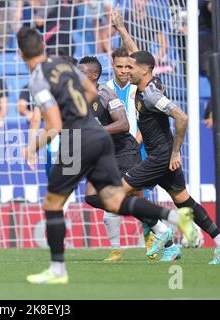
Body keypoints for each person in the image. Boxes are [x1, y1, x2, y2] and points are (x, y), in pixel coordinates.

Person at [18, 27, 196, 284]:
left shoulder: (37, 79)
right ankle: (174, 217)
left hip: (78, 141)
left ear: (22, 54)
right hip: (99, 139)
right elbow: (90, 93)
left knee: (53, 204)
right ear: (43, 49)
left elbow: (55, 124)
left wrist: (32, 147)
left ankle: (57, 269)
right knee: (112, 200)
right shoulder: (63, 67)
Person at [113, 12, 220, 264]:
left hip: (161, 156)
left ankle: (161, 232)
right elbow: (137, 52)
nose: (128, 70)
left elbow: (182, 117)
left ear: (144, 70)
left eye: (132, 67)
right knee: (183, 200)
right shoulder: (149, 81)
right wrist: (122, 29)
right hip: (164, 155)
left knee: (117, 194)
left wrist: (176, 152)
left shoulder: (151, 95)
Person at [77, 56, 162, 261]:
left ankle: (157, 236)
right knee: (92, 196)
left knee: (127, 198)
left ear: (93, 75)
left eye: (80, 72)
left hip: (124, 151)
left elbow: (123, 124)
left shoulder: (105, 93)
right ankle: (157, 232)